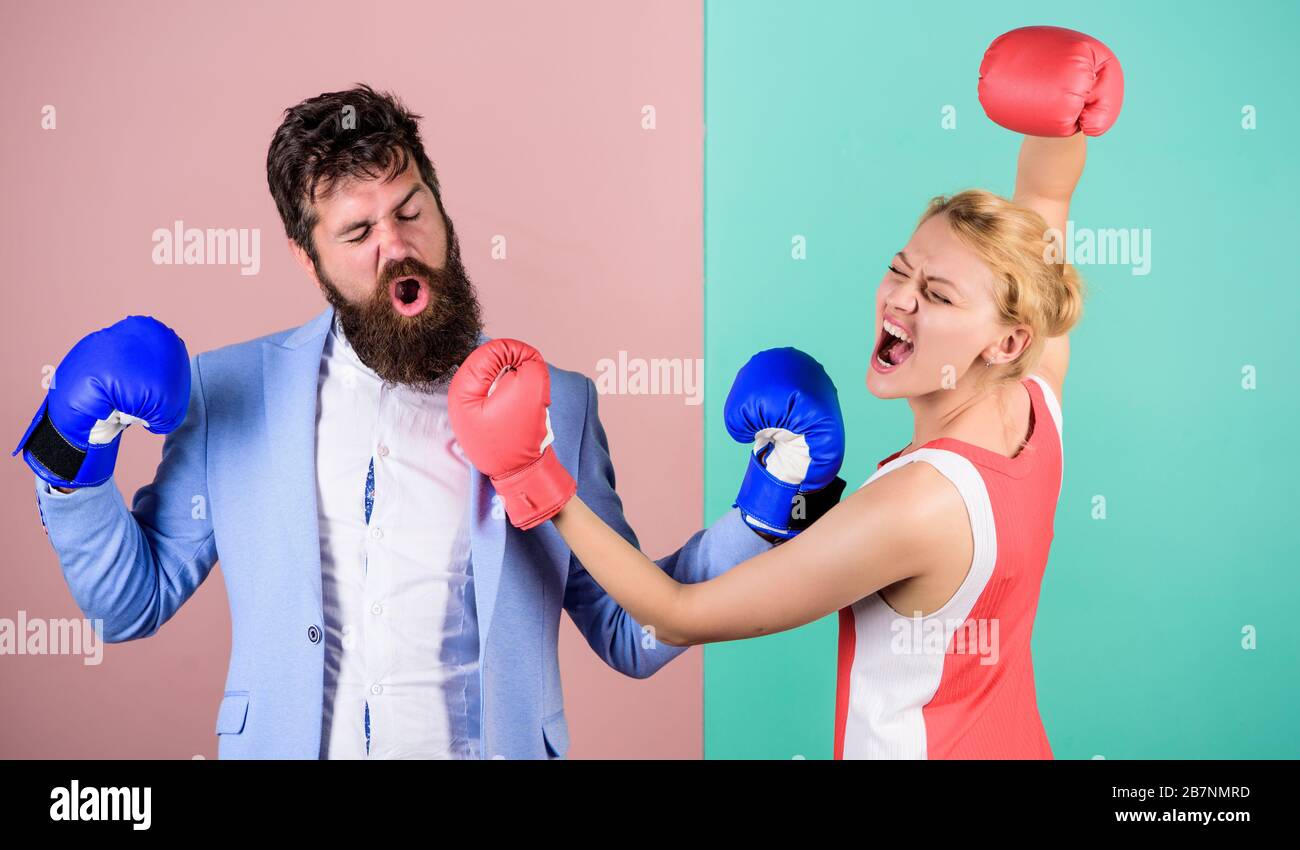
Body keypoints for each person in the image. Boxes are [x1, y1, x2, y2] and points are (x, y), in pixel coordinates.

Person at [12, 84, 847, 759]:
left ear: (443, 210)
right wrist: (69, 443)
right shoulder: (232, 391)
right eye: (359, 231)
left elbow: (635, 630)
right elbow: (131, 605)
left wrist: (775, 494)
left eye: (411, 211)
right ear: (310, 259)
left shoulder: (560, 401)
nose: (397, 247)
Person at [447, 26, 1120, 759]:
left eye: (939, 295)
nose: (900, 302)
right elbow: (1046, 200)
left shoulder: (919, 504)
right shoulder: (1036, 401)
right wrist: (1061, 121)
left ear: (1006, 339)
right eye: (900, 269)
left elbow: (674, 614)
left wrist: (535, 478)